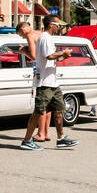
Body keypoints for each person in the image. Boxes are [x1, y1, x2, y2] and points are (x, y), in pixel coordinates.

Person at [21, 16, 76, 150]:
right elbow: (49, 56)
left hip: (52, 82)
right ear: (51, 25)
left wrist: (63, 55)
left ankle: (61, 138)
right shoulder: (45, 38)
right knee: (38, 112)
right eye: (57, 24)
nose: (58, 27)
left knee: (58, 109)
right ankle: (27, 141)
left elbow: (51, 58)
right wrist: (63, 52)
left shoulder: (48, 38)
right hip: (44, 83)